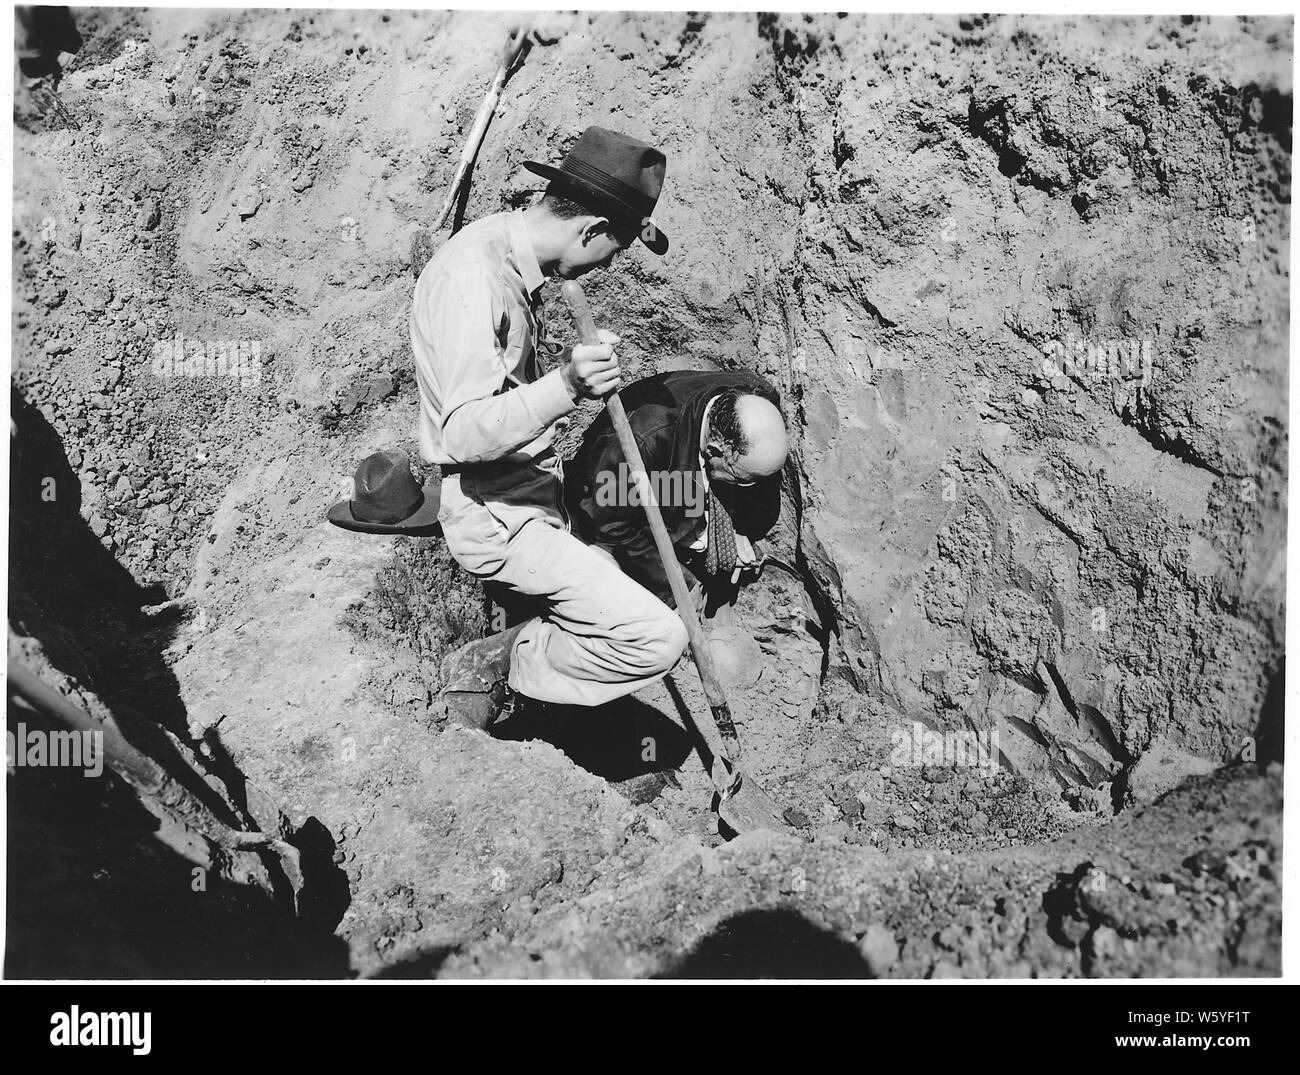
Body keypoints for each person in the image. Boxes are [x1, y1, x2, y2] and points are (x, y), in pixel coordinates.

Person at [411, 126, 687, 729]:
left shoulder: (506, 256)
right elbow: (460, 432)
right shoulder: (473, 279)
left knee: (617, 577)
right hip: (496, 517)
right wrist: (565, 386)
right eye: (611, 253)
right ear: (590, 229)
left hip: (528, 497)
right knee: (656, 637)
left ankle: (548, 694)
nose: (606, 267)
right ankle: (509, 664)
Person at [565, 371, 789, 613]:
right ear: (714, 450)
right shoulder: (639, 445)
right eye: (744, 480)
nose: (751, 488)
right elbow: (611, 529)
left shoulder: (755, 399)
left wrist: (729, 530)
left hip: (670, 483)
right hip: (602, 512)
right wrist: (678, 586)